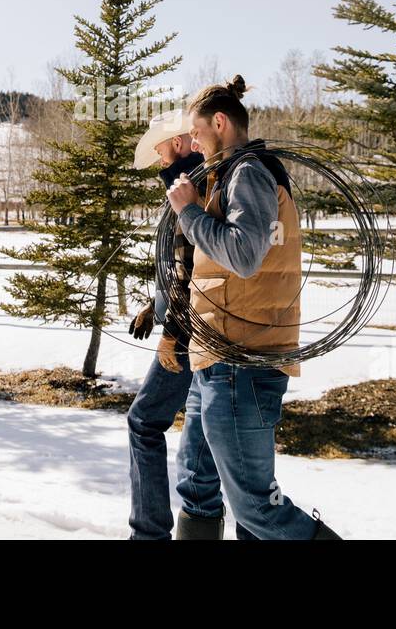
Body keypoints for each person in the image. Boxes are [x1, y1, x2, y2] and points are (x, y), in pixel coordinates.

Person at [165, 76, 340, 540]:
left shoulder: (250, 173)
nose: (194, 145)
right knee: (196, 482)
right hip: (217, 357)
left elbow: (243, 256)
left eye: (198, 133)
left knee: (256, 506)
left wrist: (188, 211)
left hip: (242, 362)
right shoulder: (230, 173)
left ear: (220, 123)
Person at [126, 109, 250, 539]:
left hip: (190, 328)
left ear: (178, 143)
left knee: (144, 422)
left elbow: (190, 267)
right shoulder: (203, 181)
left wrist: (170, 332)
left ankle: (149, 533)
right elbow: (182, 262)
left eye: (160, 152)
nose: (160, 162)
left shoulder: (189, 187)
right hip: (200, 325)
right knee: (203, 441)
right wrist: (153, 305)